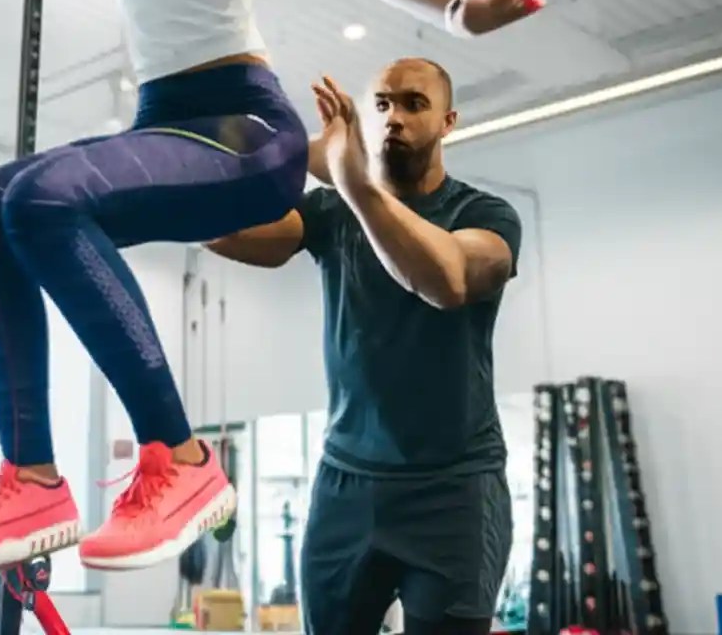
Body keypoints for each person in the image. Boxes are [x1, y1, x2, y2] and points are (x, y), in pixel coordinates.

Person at [0, 0, 545, 577]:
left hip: (243, 128)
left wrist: (461, 10)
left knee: (41, 201)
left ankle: (182, 459)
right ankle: (32, 477)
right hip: (160, 126)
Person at [207, 59, 522, 634]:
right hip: (345, 486)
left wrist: (352, 181)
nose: (394, 117)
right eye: (381, 106)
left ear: (448, 120)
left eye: (413, 104)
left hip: (454, 489)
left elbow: (446, 280)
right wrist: (262, 155)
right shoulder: (332, 212)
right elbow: (227, 232)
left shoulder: (486, 216)